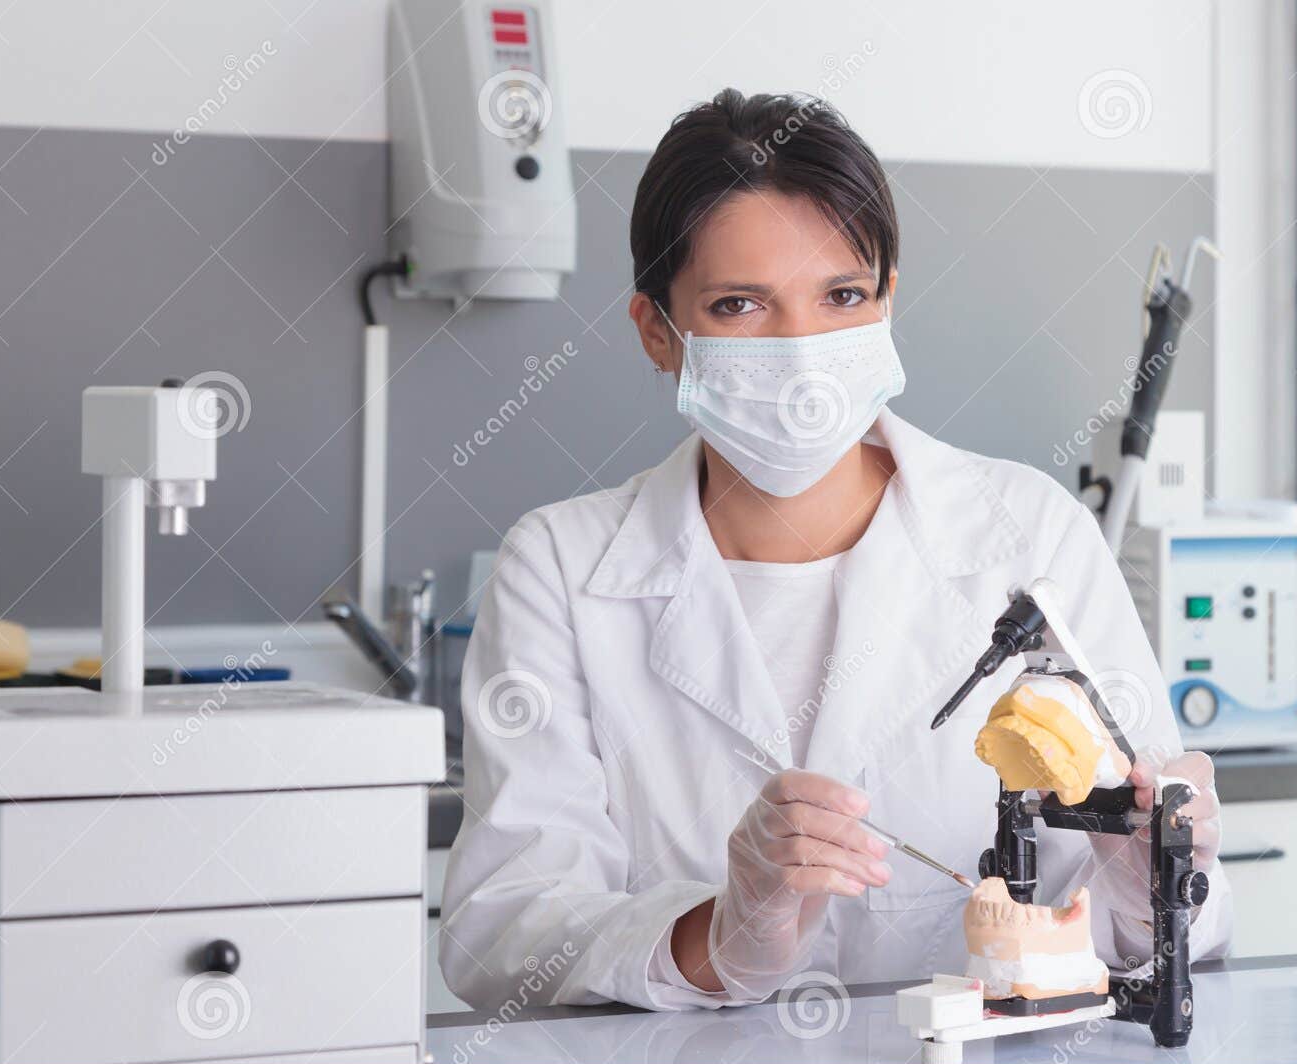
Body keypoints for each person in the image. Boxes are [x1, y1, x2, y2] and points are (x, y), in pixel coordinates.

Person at [441, 89, 1229, 1011]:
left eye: (842, 296)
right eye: (739, 305)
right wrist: (719, 933)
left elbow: (1176, 930)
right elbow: (501, 931)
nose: (804, 354)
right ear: (659, 331)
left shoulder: (1030, 534)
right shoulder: (561, 570)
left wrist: (1150, 883)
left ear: (889, 301)